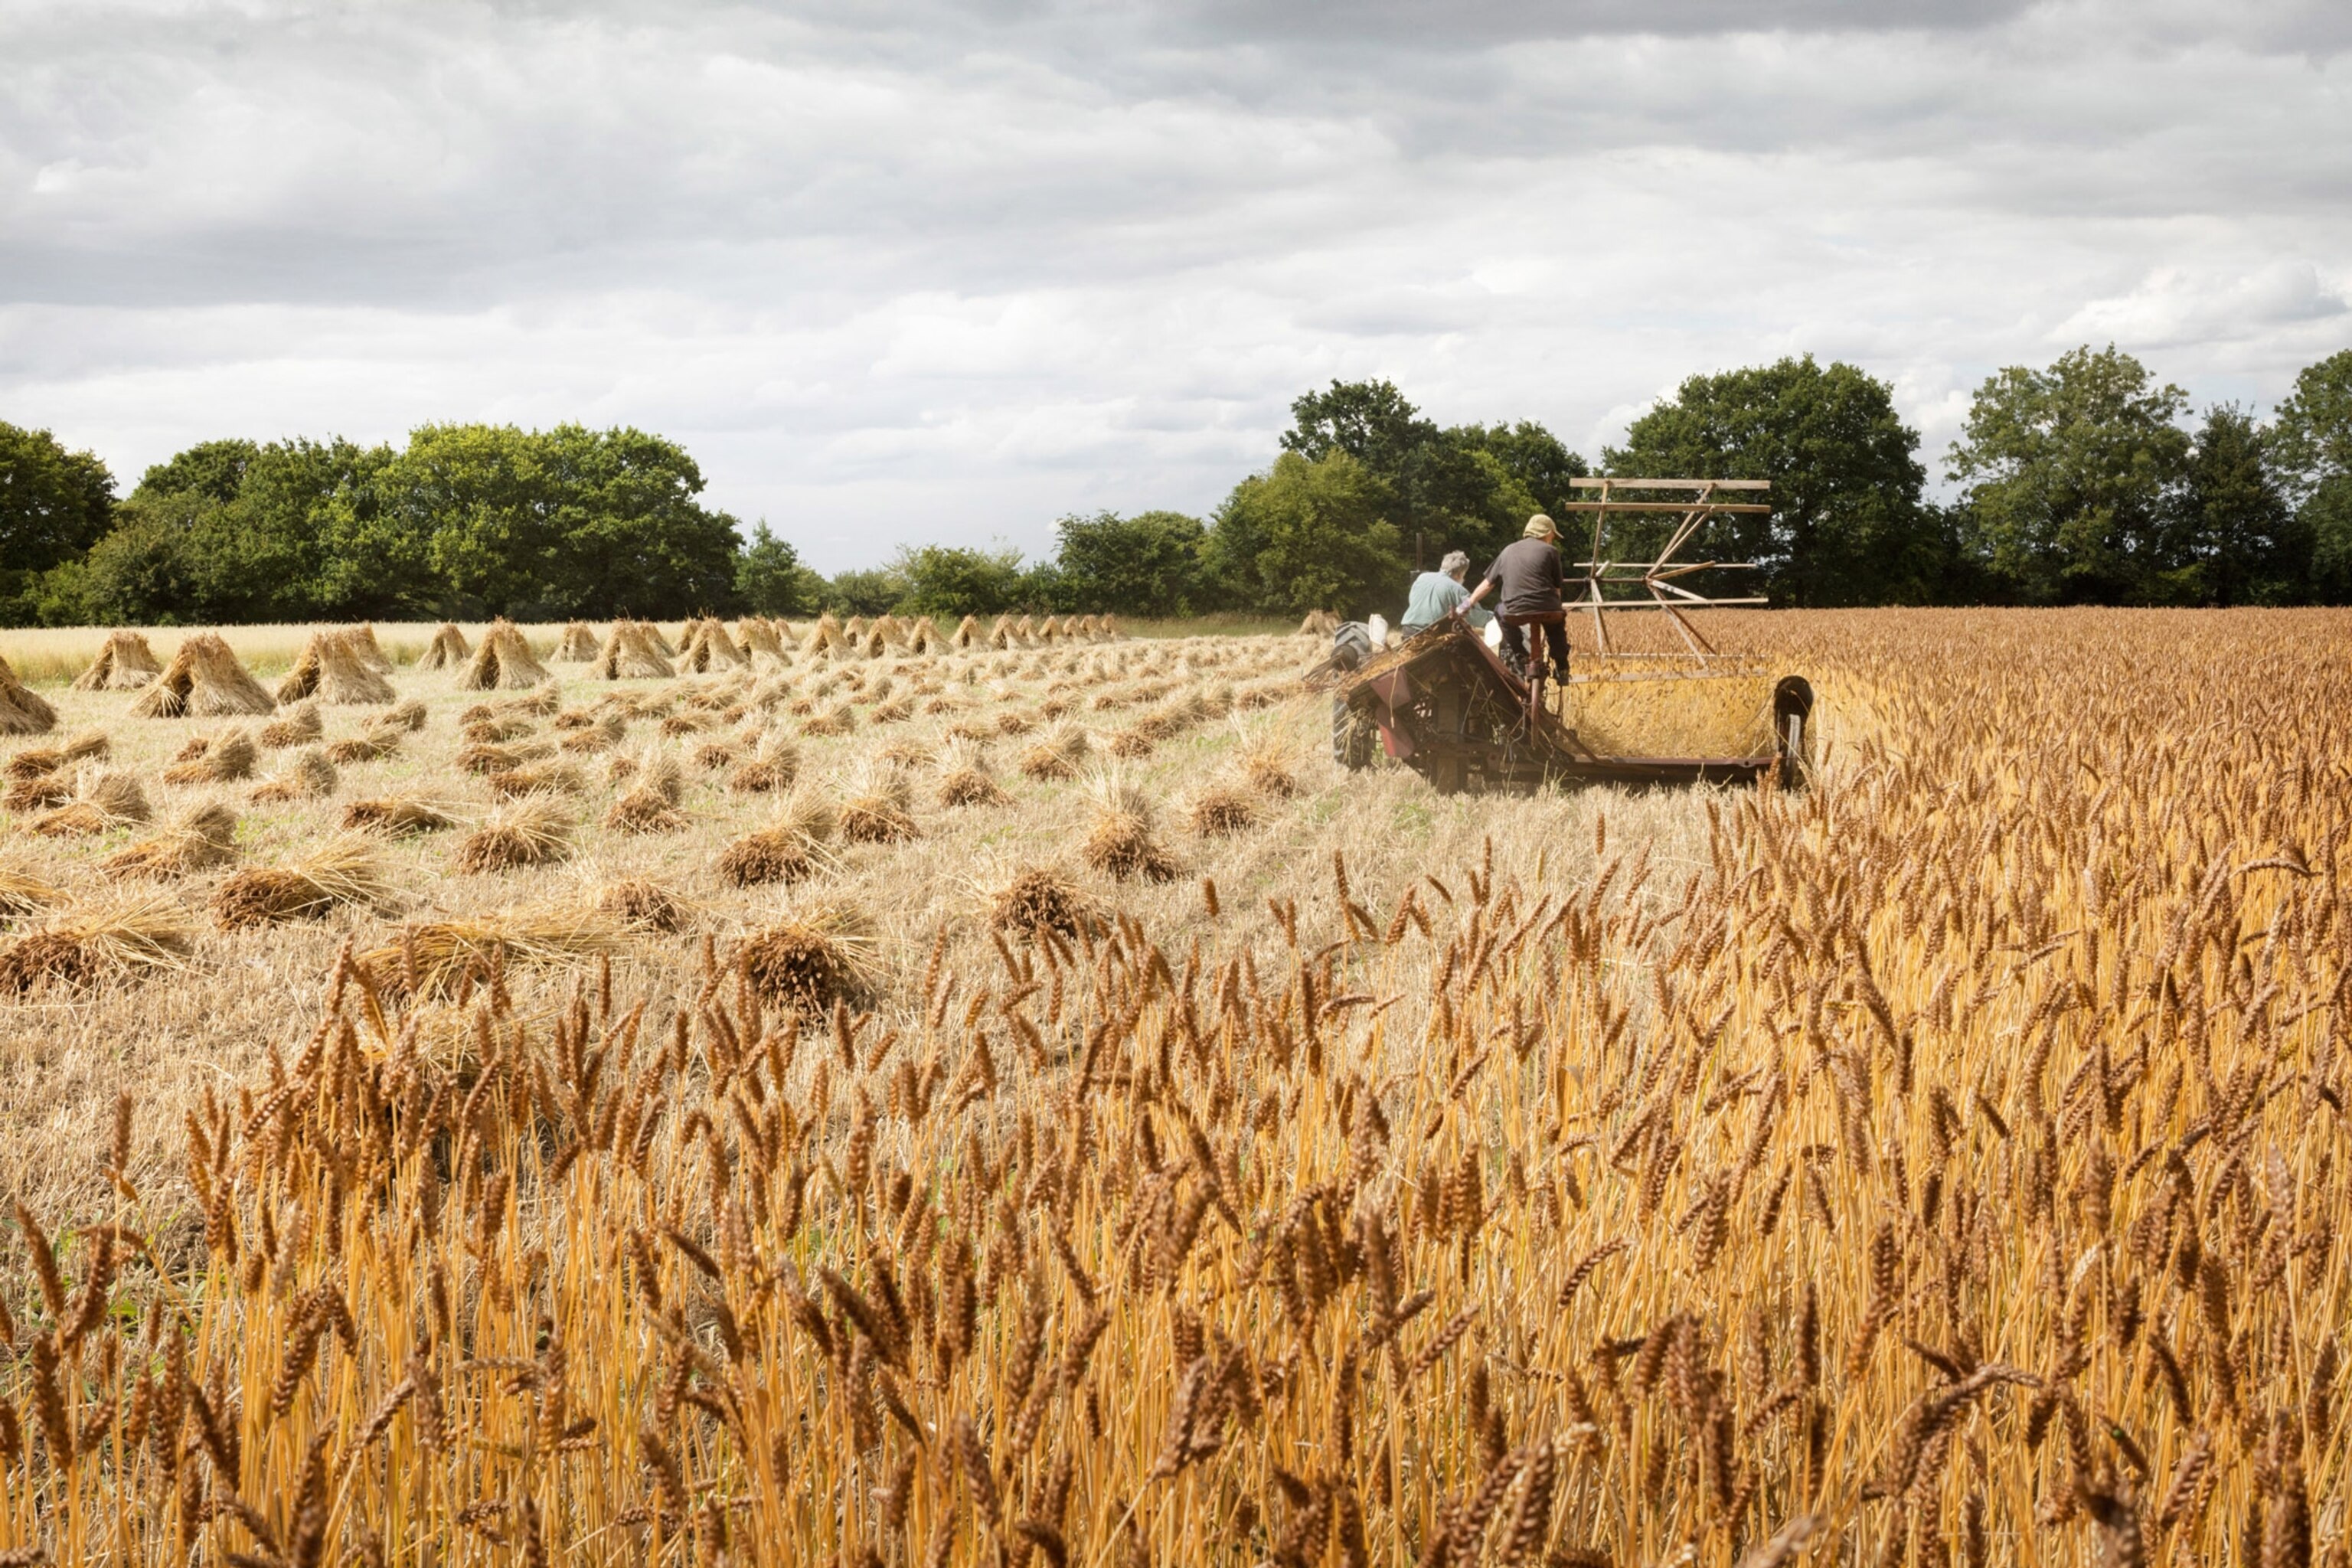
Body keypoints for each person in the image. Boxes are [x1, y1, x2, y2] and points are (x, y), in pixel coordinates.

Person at [1463, 514, 1571, 678]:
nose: (1553, 539)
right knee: (1556, 624)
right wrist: (1558, 608)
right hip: (1548, 608)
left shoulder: (1508, 551)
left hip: (1515, 611)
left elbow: (1488, 584)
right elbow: (1557, 590)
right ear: (1547, 532)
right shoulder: (1551, 551)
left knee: (1500, 611)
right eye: (1553, 535)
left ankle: (1520, 656)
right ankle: (1562, 666)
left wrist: (1467, 604)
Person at [1400, 550, 1494, 635]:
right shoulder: (1457, 589)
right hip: (1432, 634)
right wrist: (1494, 617)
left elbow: (1412, 600)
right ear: (1459, 574)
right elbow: (1476, 617)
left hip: (1407, 631)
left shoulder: (1422, 578)